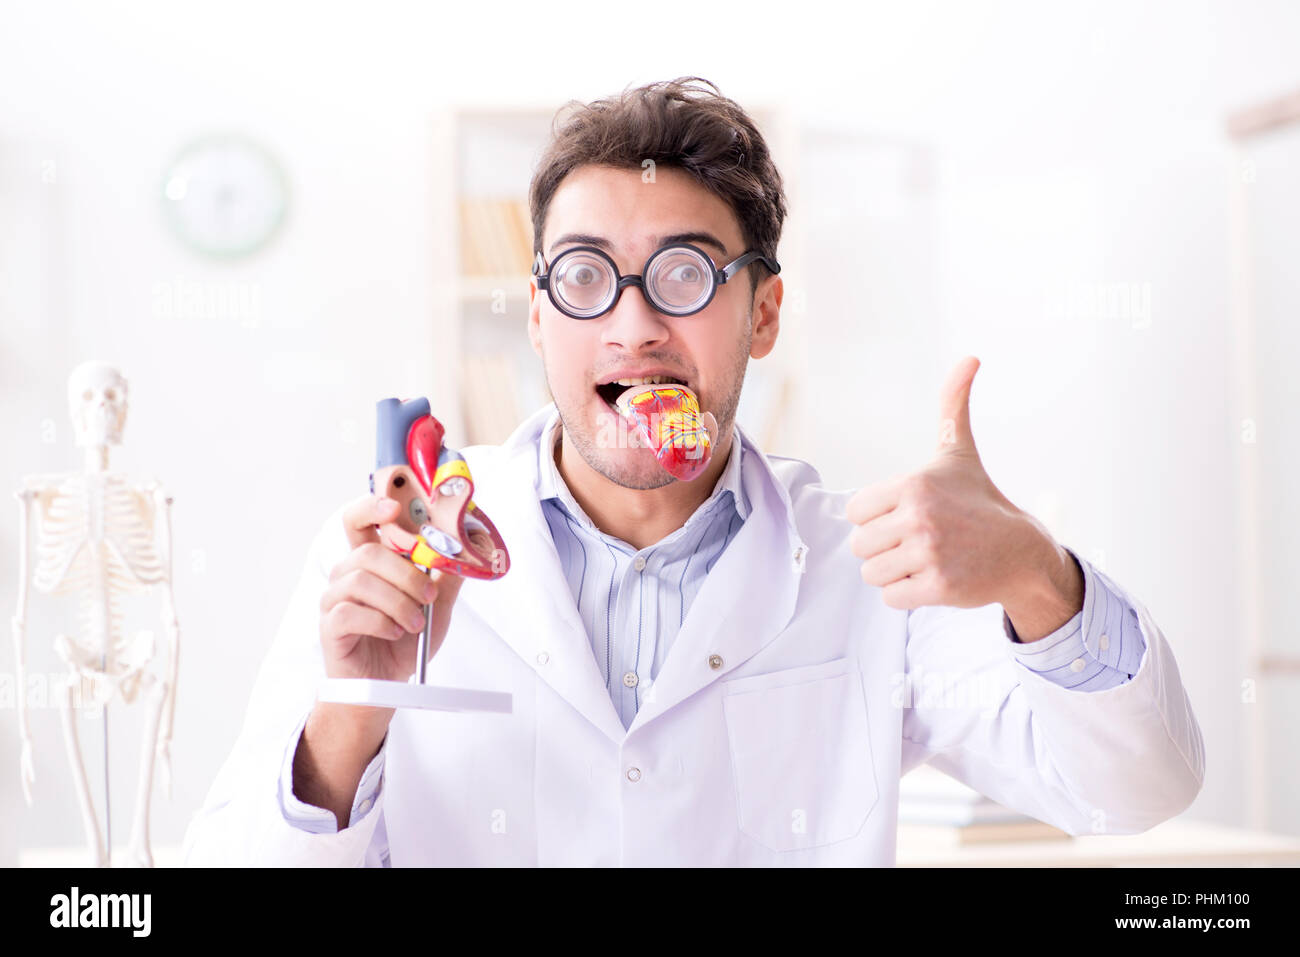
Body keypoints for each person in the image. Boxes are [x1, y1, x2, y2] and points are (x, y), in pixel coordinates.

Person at [182, 76, 1204, 866]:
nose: (633, 327)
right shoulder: (396, 553)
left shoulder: (868, 567)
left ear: (762, 315)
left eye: (684, 275)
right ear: (537, 316)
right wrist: (348, 722)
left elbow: (1136, 789)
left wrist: (1038, 578)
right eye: (584, 276)